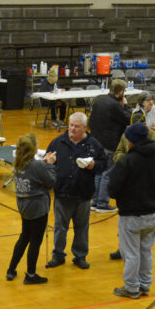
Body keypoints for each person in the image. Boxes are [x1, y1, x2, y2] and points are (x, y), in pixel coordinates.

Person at [107, 122, 155, 299]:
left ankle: (132, 287)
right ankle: (144, 284)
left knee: (131, 253)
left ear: (131, 141)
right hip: (152, 214)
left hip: (131, 215)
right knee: (146, 252)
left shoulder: (127, 161)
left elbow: (112, 188)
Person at [45, 112, 107, 270]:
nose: (72, 129)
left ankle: (80, 256)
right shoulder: (58, 142)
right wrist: (47, 162)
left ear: (84, 128)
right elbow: (47, 160)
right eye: (71, 125)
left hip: (83, 194)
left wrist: (95, 166)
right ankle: (58, 255)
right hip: (62, 193)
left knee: (82, 227)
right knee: (60, 227)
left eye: (76, 126)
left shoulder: (94, 144)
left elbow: (104, 164)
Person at [6, 134, 56, 284]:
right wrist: (50, 164)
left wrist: (43, 163)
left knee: (24, 237)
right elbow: (51, 182)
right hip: (38, 208)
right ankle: (31, 274)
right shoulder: (37, 165)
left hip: (24, 206)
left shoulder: (18, 163)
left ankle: (11, 269)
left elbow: (34, 173)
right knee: (35, 241)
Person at [88, 78, 131, 213]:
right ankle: (102, 203)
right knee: (107, 173)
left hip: (96, 141)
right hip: (109, 142)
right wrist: (126, 106)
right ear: (121, 92)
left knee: (98, 172)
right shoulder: (114, 105)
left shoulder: (99, 100)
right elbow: (127, 119)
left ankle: (95, 201)